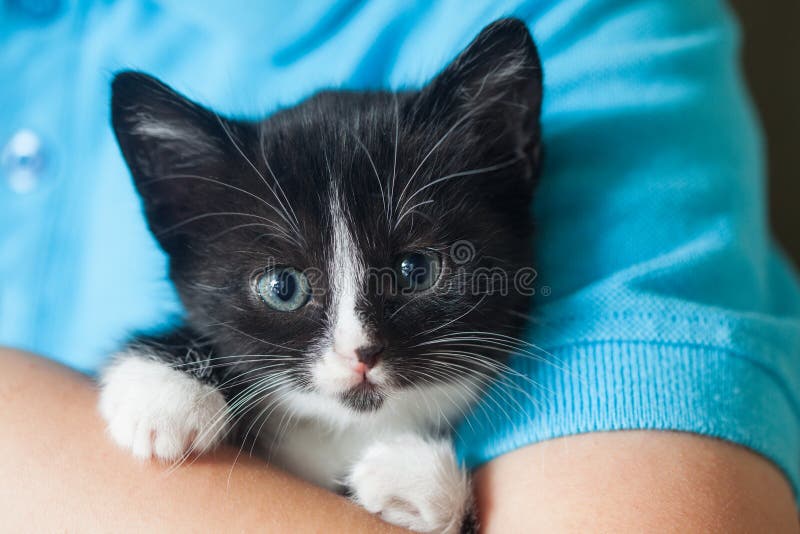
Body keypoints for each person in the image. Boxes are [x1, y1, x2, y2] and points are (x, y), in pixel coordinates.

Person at [1, 0, 798, 530]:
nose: (360, 347)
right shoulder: (197, 383)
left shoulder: (596, 22)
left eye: (415, 273)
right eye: (284, 287)